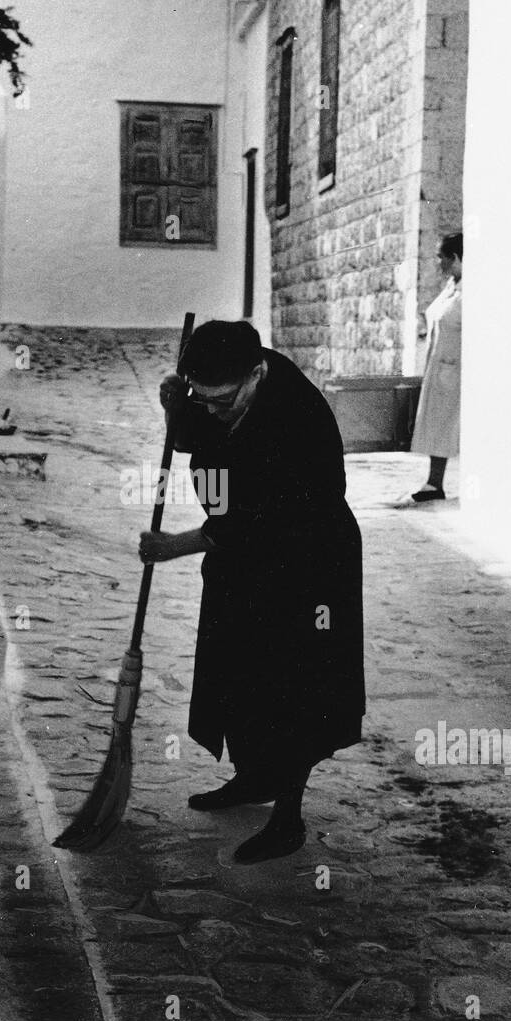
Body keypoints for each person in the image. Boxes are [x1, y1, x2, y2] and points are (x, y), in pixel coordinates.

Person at [138, 320, 365, 864]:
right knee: (237, 668)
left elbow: (263, 516)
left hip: (307, 566)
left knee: (293, 685)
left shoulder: (297, 418)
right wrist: (177, 406)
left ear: (256, 373)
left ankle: (287, 815)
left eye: (221, 401)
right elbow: (197, 434)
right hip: (241, 562)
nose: (212, 409)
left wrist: (177, 545)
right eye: (204, 398)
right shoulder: (230, 391)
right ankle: (252, 777)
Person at [400, 232, 463, 504]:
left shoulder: (471, 291)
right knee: (438, 424)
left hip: (459, 370)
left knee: (454, 427)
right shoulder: (451, 287)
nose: (438, 262)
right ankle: (433, 482)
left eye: (441, 257)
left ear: (456, 258)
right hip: (441, 368)